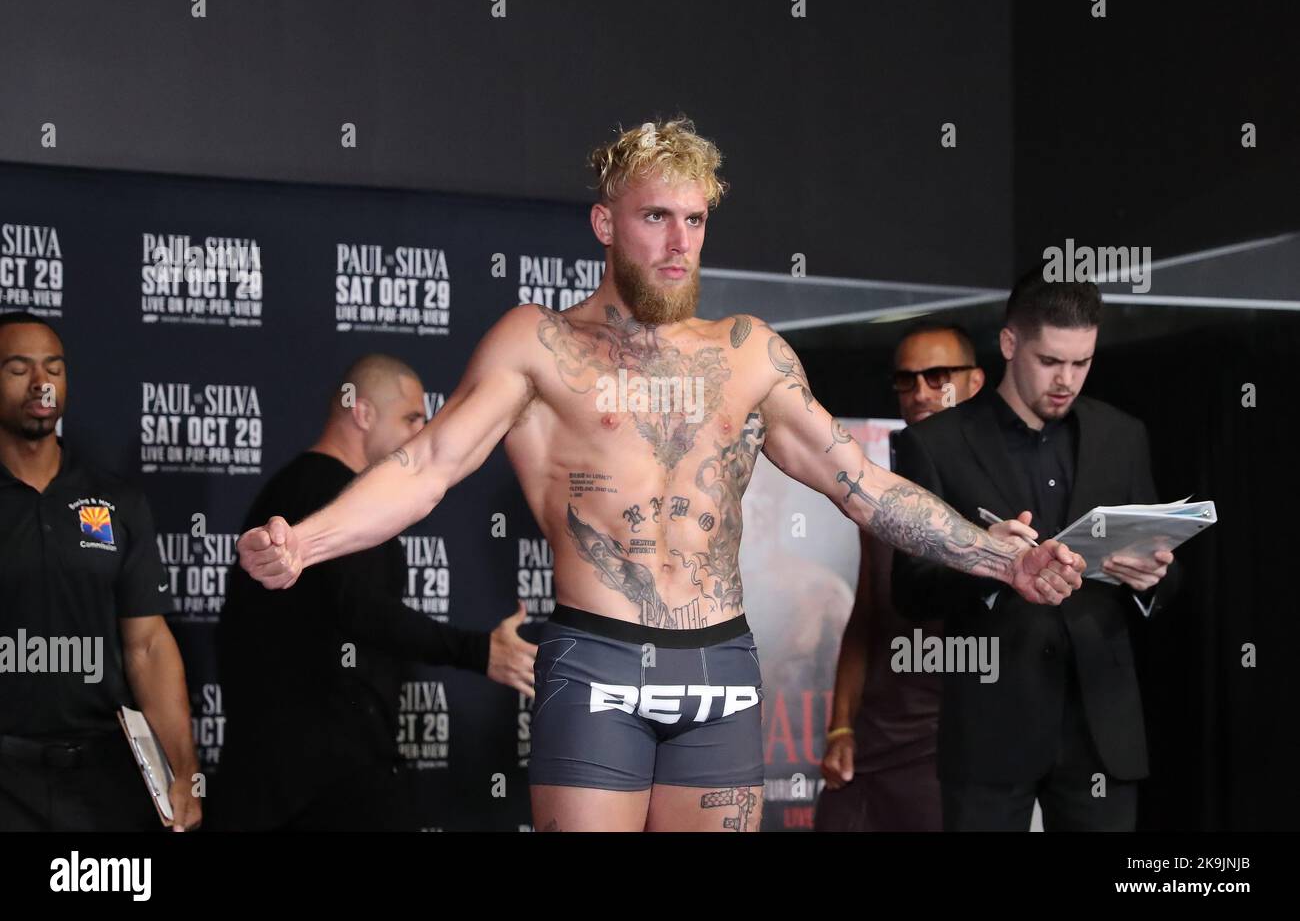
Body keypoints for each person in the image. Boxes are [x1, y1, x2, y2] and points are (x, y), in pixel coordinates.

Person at [237, 118, 1084, 832]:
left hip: (720, 668)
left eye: (695, 219)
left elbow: (857, 481)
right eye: (656, 218)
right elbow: (426, 466)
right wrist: (305, 542)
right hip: (596, 666)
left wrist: (1000, 557)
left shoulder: (747, 352)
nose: (680, 244)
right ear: (605, 224)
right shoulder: (539, 344)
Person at [891, 277, 1181, 831]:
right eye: (1050, 361)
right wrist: (985, 561)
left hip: (1102, 726)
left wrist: (1152, 578)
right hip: (990, 729)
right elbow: (908, 591)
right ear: (1008, 345)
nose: (1066, 380)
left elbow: (1168, 573)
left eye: (1082, 362)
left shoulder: (1123, 435)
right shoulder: (936, 446)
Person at [215, 354, 536, 830]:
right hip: (324, 780)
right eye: (411, 418)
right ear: (361, 413)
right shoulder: (334, 499)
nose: (420, 434)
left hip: (293, 773)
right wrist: (477, 650)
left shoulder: (297, 486)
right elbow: (362, 609)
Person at [0, 311, 202, 831]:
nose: (41, 383)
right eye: (19, 369)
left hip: (101, 777)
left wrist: (182, 771)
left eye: (54, 368)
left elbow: (149, 645)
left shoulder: (118, 502)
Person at [816, 322, 986, 831]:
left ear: (974, 382)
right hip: (875, 737)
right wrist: (841, 726)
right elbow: (866, 615)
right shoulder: (882, 492)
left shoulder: (999, 484)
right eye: (907, 380)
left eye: (938, 377)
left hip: (956, 741)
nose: (921, 392)